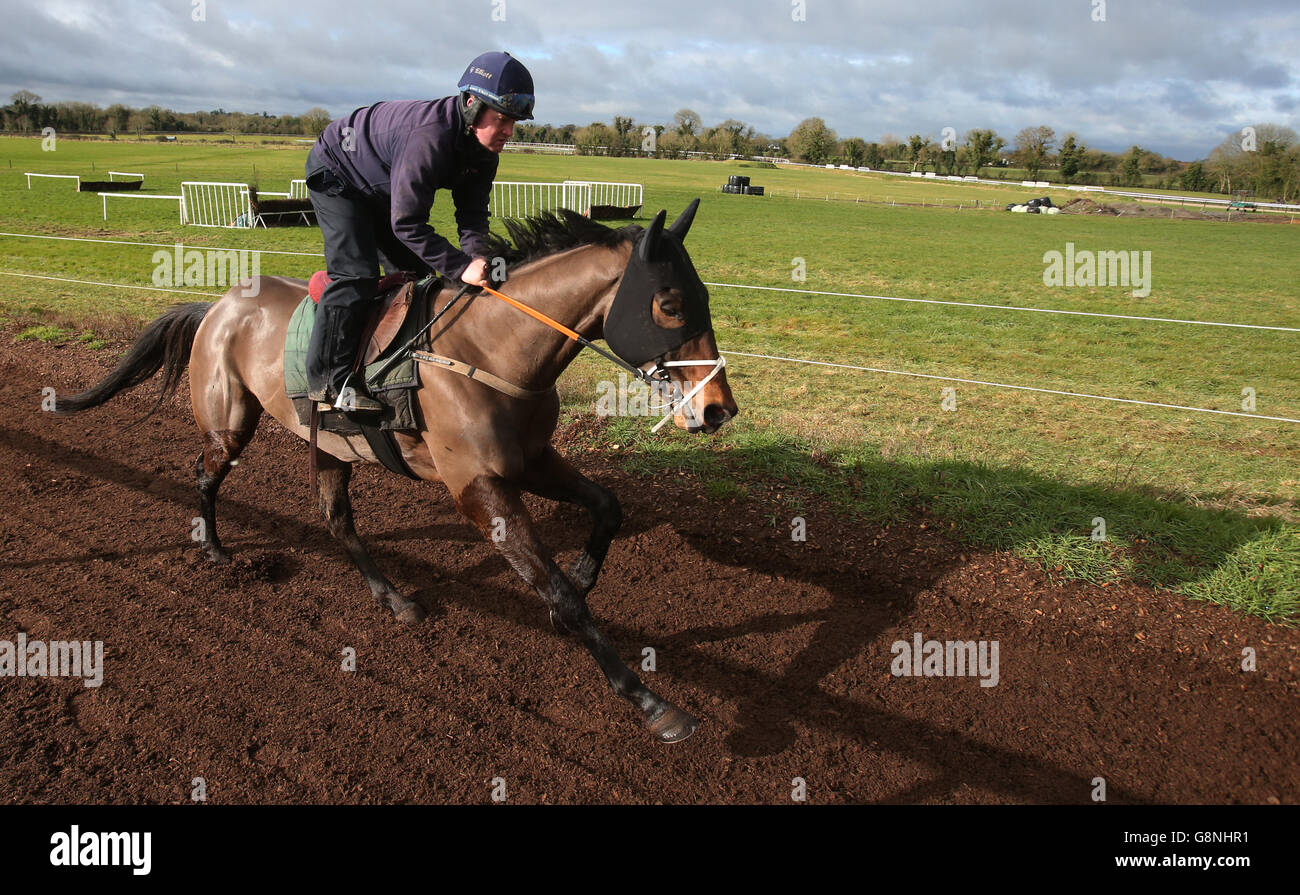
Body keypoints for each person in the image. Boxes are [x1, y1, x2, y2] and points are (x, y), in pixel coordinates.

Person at [303, 51, 535, 412]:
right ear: (471, 104)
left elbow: (472, 216)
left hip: (380, 185)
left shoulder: (486, 152)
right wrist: (460, 268)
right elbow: (407, 223)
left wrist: (477, 258)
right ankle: (330, 385)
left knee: (421, 277)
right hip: (338, 174)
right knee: (356, 276)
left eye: (514, 122)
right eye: (502, 119)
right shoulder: (430, 137)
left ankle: (395, 366)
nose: (509, 131)